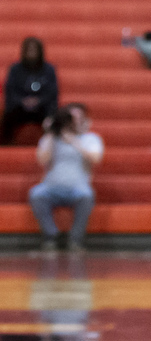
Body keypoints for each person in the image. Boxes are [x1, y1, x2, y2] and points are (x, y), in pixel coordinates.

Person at [28, 103, 103, 252]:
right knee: (36, 194)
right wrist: (50, 133)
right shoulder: (50, 139)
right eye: (70, 118)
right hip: (51, 186)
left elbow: (95, 159)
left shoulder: (90, 138)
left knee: (87, 196)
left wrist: (74, 142)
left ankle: (75, 240)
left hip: (78, 187)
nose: (73, 121)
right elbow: (42, 160)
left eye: (77, 118)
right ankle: (51, 236)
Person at [1, 37, 59, 145]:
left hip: (42, 107)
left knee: (54, 117)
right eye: (29, 50)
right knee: (7, 116)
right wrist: (23, 101)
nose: (32, 53)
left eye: (34, 50)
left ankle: (52, 144)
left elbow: (52, 92)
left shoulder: (49, 69)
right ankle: (6, 144)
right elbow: (10, 91)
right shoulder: (15, 69)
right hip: (19, 107)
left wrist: (38, 101)